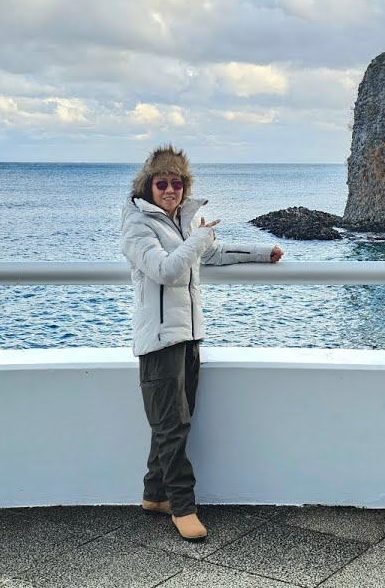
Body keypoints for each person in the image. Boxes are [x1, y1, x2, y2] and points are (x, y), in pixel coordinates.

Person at [120, 145, 283, 541]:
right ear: (148, 186)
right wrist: (200, 238)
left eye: (177, 183)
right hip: (160, 341)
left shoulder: (180, 226)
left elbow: (211, 254)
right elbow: (166, 270)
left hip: (189, 336)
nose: (170, 190)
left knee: (176, 421)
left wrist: (264, 252)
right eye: (163, 183)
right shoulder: (137, 226)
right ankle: (182, 505)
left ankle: (154, 494)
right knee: (172, 425)